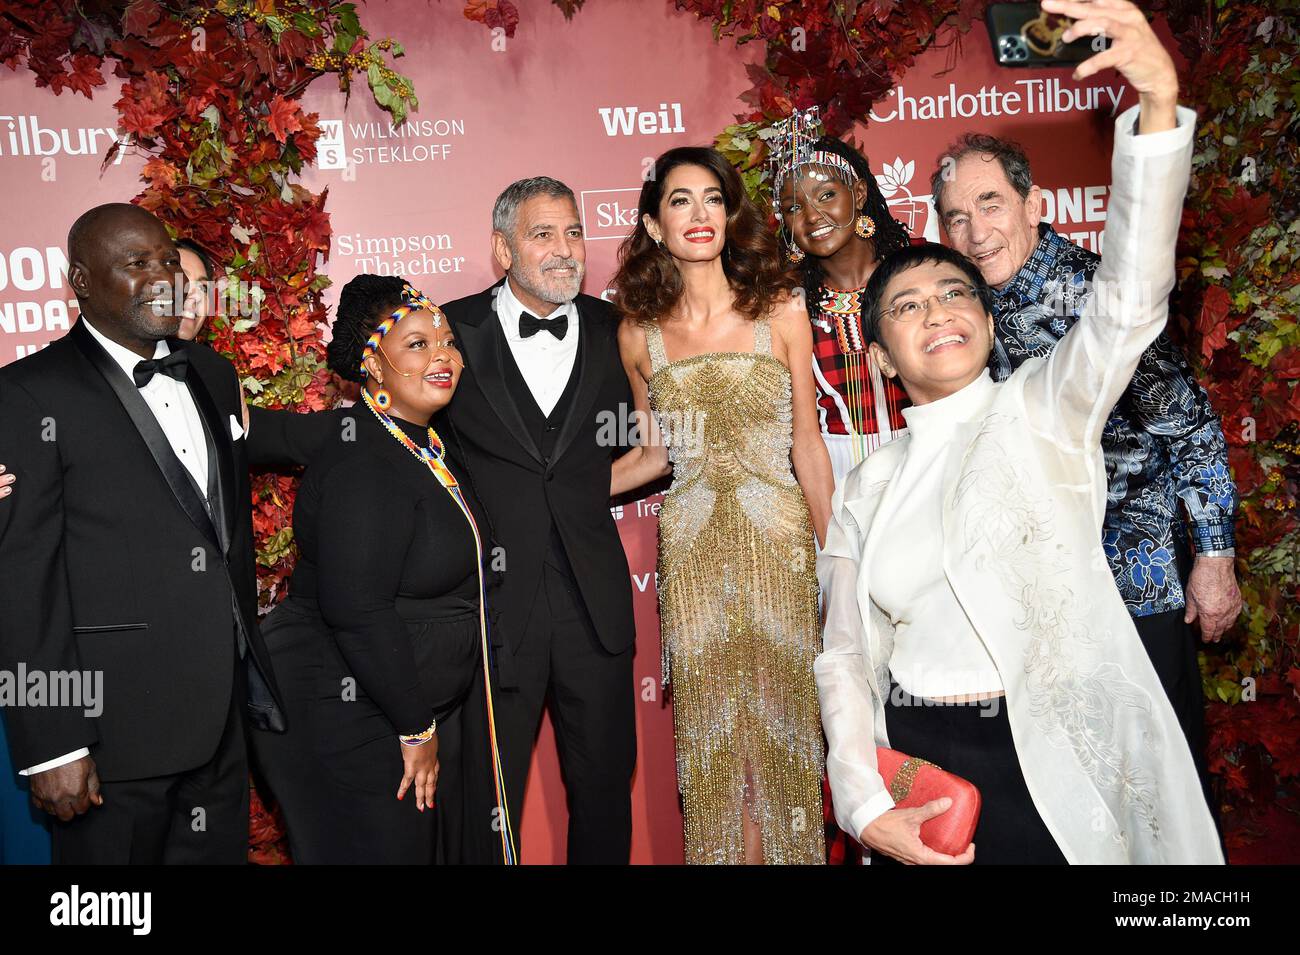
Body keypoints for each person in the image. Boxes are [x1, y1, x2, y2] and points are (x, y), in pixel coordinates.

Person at [816, 0, 1224, 865]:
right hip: (929, 780)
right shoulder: (868, 484)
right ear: (884, 356)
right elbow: (846, 659)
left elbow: (1127, 302)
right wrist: (860, 799)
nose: (937, 311)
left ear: (988, 322)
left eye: (956, 293)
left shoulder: (1046, 407)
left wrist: (1154, 108)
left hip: (1061, 756)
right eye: (908, 303)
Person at [931, 58, 1240, 807]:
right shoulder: (962, 313)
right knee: (1084, 796)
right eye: (956, 217)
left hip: (1139, 581)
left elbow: (1190, 426)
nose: (974, 232)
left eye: (991, 204)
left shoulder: (1098, 296)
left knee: (1164, 788)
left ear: (1033, 205)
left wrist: (1215, 558)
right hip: (1047, 598)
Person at [0, 203, 284, 864]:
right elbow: (21, 580)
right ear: (81, 279)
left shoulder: (212, 373)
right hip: (109, 739)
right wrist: (54, 741)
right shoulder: (27, 395)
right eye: (137, 263)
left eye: (166, 260)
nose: (163, 277)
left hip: (220, 724)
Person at [611, 146, 833, 864]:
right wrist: (543, 489)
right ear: (654, 222)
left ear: (729, 215)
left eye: (712, 198)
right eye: (680, 200)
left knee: (787, 730)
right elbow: (651, 455)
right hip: (696, 552)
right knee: (712, 741)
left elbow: (807, 444)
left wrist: (836, 564)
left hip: (780, 545)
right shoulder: (637, 334)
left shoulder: (780, 310)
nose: (699, 214)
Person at [248, 276, 511, 864]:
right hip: (344, 712)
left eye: (445, 340)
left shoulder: (422, 444)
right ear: (373, 364)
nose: (442, 355)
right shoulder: (362, 460)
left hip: (391, 705)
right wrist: (415, 728)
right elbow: (357, 611)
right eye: (416, 344)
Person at [435, 177, 641, 864]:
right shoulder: (447, 331)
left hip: (596, 605)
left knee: (606, 793)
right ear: (502, 248)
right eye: (543, 234)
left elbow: (661, 448)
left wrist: (583, 491)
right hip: (492, 607)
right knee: (488, 805)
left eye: (574, 231)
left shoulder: (623, 332)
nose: (565, 249)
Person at [771, 108, 912, 483]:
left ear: (860, 193)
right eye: (794, 207)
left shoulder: (915, 273)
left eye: (827, 195)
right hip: (833, 475)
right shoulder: (788, 302)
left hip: (924, 459)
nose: (813, 216)